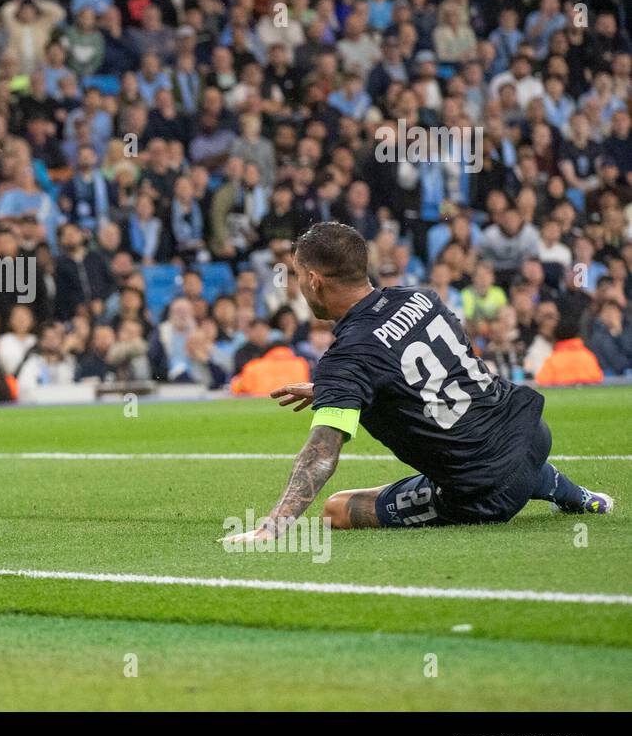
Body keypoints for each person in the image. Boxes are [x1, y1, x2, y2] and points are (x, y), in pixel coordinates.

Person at [223, 222, 611, 544]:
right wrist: (340, 390)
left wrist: (272, 527)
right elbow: (431, 369)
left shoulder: (346, 358)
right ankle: (578, 496)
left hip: (483, 490)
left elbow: (322, 453)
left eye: (297, 275)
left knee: (337, 509)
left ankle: (533, 489)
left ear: (313, 279)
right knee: (488, 443)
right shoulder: (421, 298)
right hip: (531, 435)